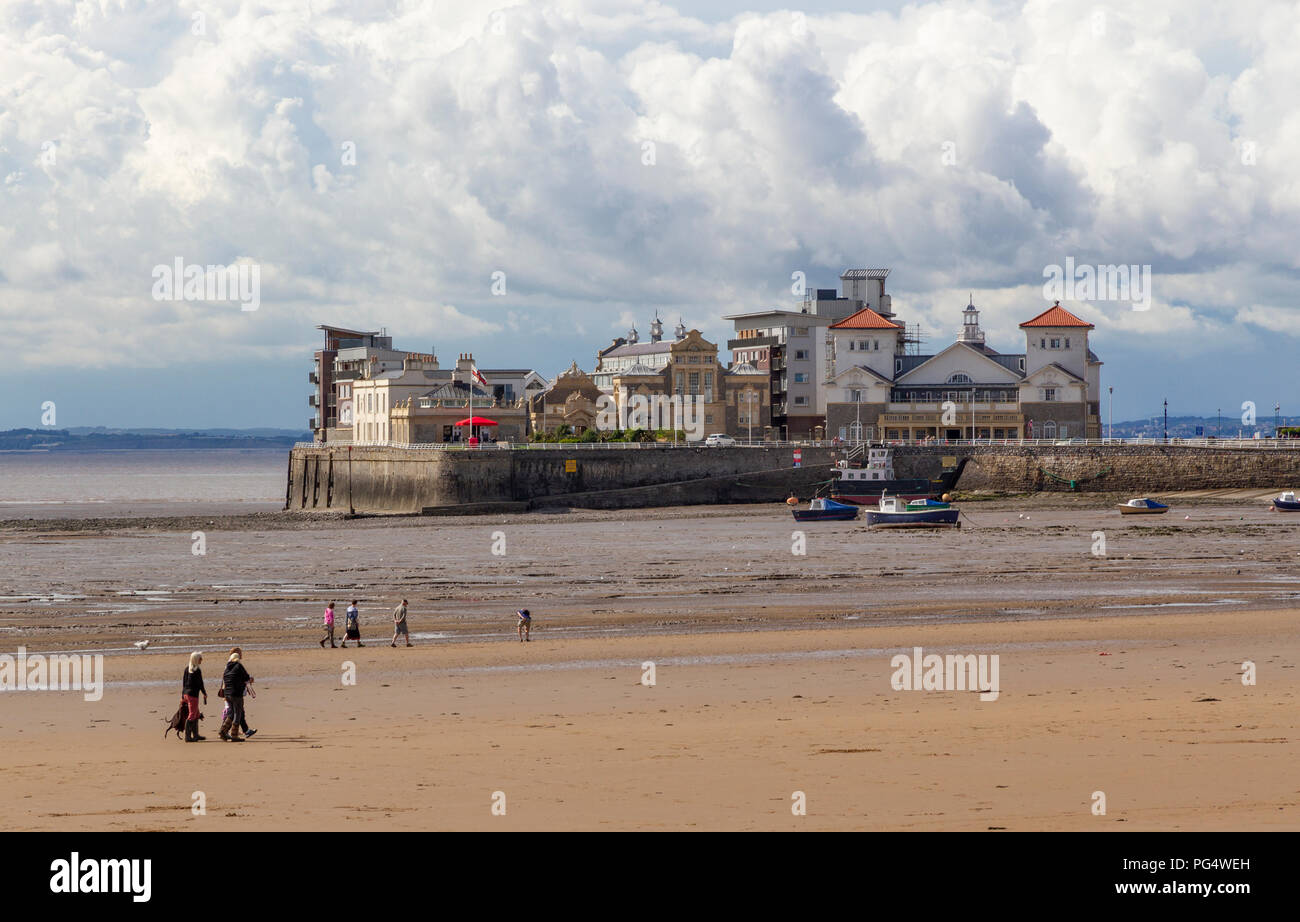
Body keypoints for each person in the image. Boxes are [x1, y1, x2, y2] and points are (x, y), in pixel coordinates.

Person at [219, 650, 253, 742]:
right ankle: (234, 735)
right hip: (236, 693)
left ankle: (223, 731)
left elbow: (225, 680)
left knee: (231, 713)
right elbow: (246, 677)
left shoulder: (227, 667)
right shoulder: (239, 666)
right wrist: (249, 680)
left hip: (227, 694)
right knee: (237, 714)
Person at [181, 651, 207, 742]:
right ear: (196, 659)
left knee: (196, 713)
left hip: (186, 694)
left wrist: (182, 695)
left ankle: (196, 735)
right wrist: (204, 693)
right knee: (192, 715)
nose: (201, 660)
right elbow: (200, 684)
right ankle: (188, 736)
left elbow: (184, 683)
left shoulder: (187, 669)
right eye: (200, 658)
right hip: (193, 695)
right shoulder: (197, 670)